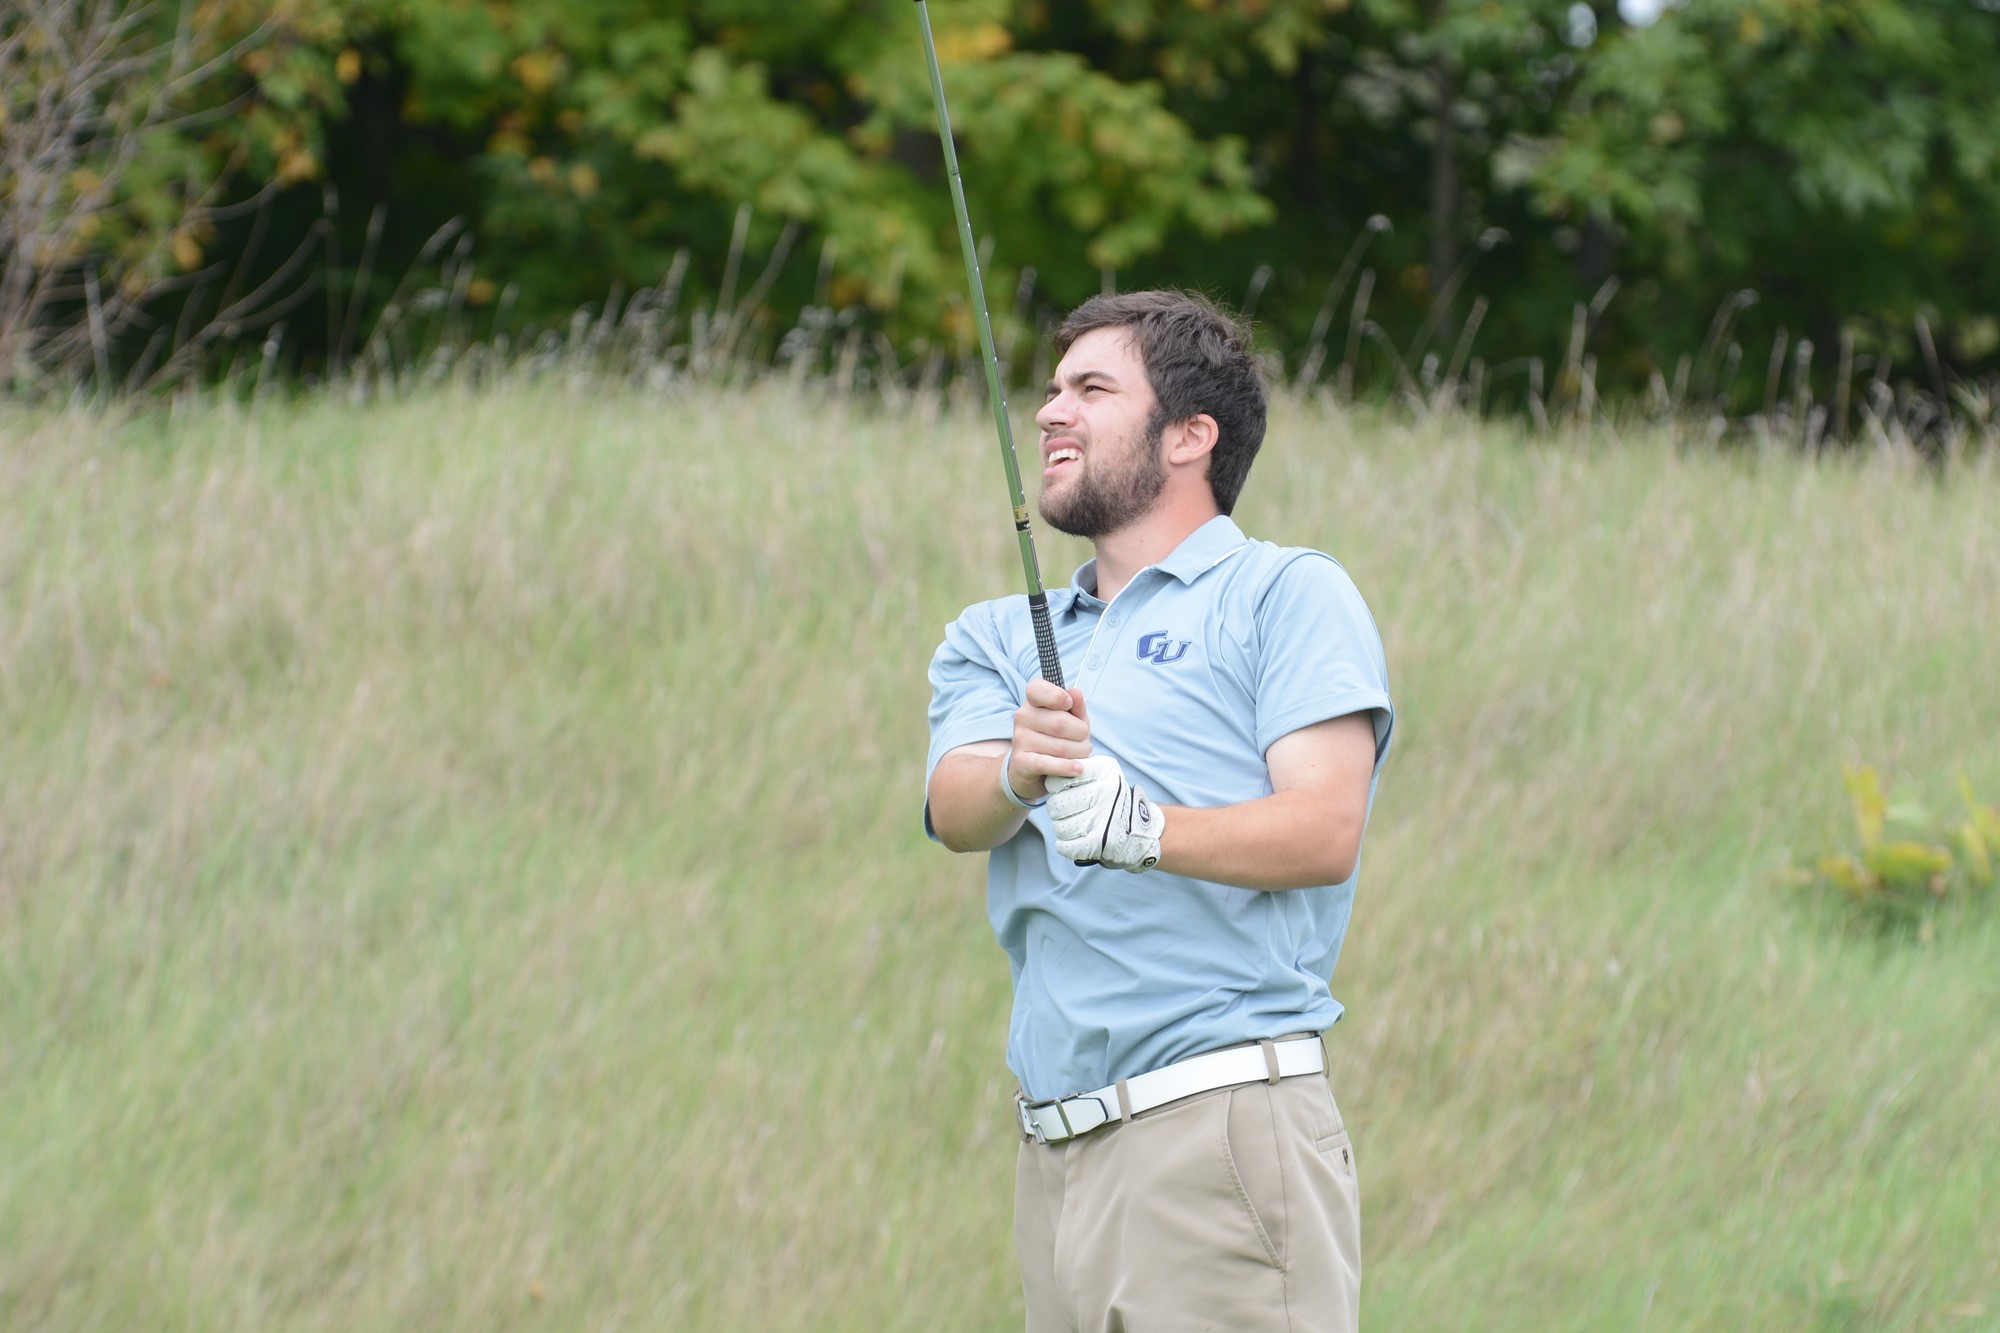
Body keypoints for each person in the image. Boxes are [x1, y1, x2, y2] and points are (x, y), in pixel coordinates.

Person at [923, 289, 1394, 1331]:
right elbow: (955, 808)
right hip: (1053, 1160)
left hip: (1219, 1127)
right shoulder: (998, 633)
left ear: (1190, 435)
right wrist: (1017, 768)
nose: (1050, 411)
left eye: (1091, 389)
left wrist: (1147, 832)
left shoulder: (1284, 593)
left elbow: (1322, 828)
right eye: (1050, 389)